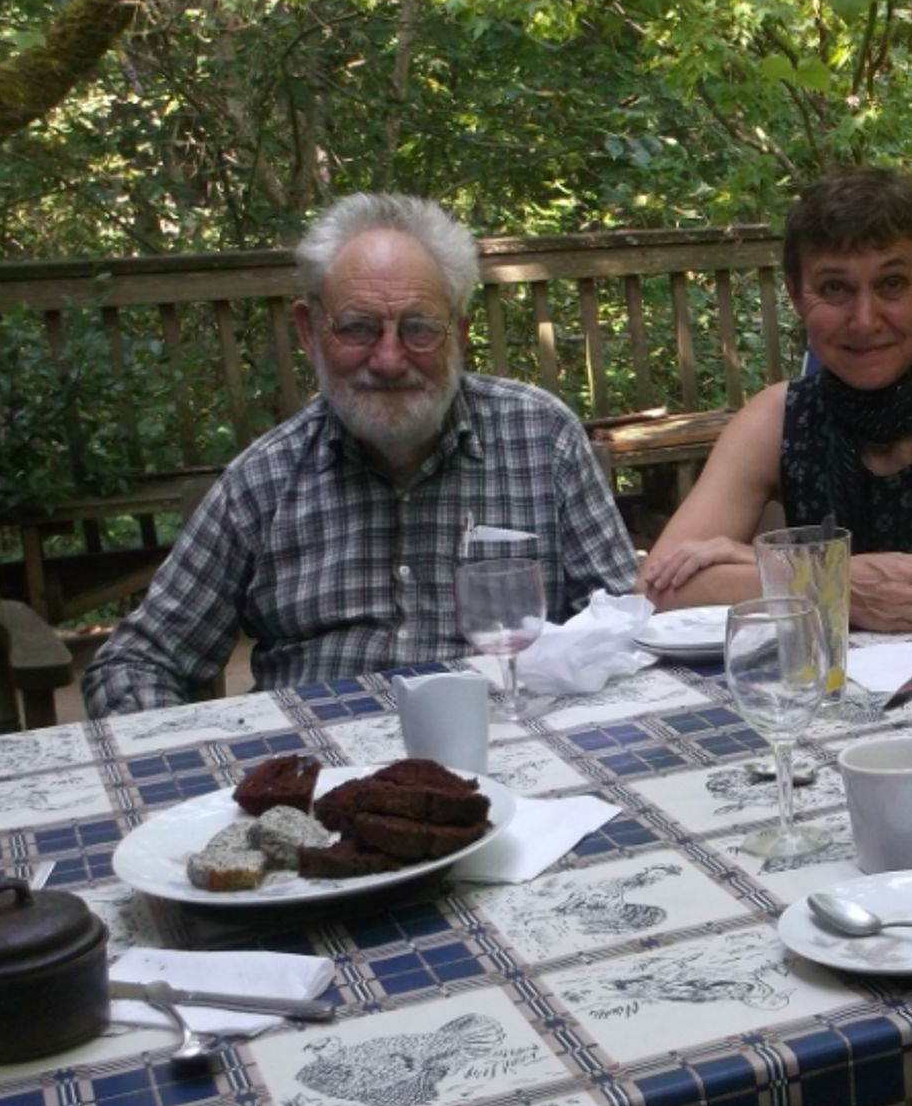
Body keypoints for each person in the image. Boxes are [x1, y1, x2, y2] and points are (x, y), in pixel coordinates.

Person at [83, 193, 638, 716]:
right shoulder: (263, 480)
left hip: (508, 750)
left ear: (459, 334)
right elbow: (134, 663)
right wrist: (210, 770)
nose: (390, 360)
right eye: (358, 328)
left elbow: (626, 627)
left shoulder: (543, 438)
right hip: (317, 766)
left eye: (419, 329)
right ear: (309, 331)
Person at [635, 166, 912, 632]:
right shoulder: (776, 417)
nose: (864, 319)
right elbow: (658, 587)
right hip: (813, 674)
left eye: (892, 284)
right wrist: (833, 583)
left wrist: (775, 567)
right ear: (797, 295)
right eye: (835, 288)